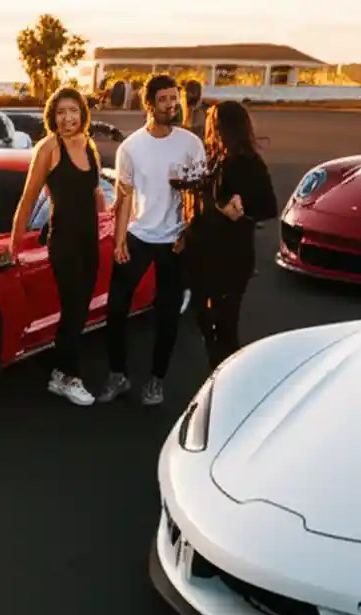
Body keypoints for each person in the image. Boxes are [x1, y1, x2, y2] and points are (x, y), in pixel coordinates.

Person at [96, 74, 206, 406]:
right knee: (116, 309)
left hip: (174, 240)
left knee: (167, 316)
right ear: (149, 104)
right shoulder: (131, 148)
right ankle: (118, 375)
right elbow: (124, 197)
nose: (172, 105)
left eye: (175, 99)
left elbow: (197, 197)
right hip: (138, 236)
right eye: (164, 100)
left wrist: (188, 234)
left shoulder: (190, 144)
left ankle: (156, 381)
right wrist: (119, 241)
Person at [10, 87, 107, 406]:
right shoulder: (49, 148)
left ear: (82, 113)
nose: (68, 118)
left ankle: (59, 374)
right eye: (61, 112)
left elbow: (94, 192)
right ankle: (69, 377)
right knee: (74, 306)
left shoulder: (89, 145)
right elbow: (28, 198)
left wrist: (110, 214)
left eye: (73, 111)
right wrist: (15, 244)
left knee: (79, 310)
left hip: (89, 238)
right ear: (53, 116)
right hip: (63, 239)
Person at [180, 101, 278, 369]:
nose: (209, 126)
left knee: (225, 324)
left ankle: (225, 374)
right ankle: (219, 366)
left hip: (231, 257)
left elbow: (268, 207)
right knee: (202, 314)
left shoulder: (248, 163)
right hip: (201, 252)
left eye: (213, 121)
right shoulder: (213, 159)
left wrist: (241, 211)